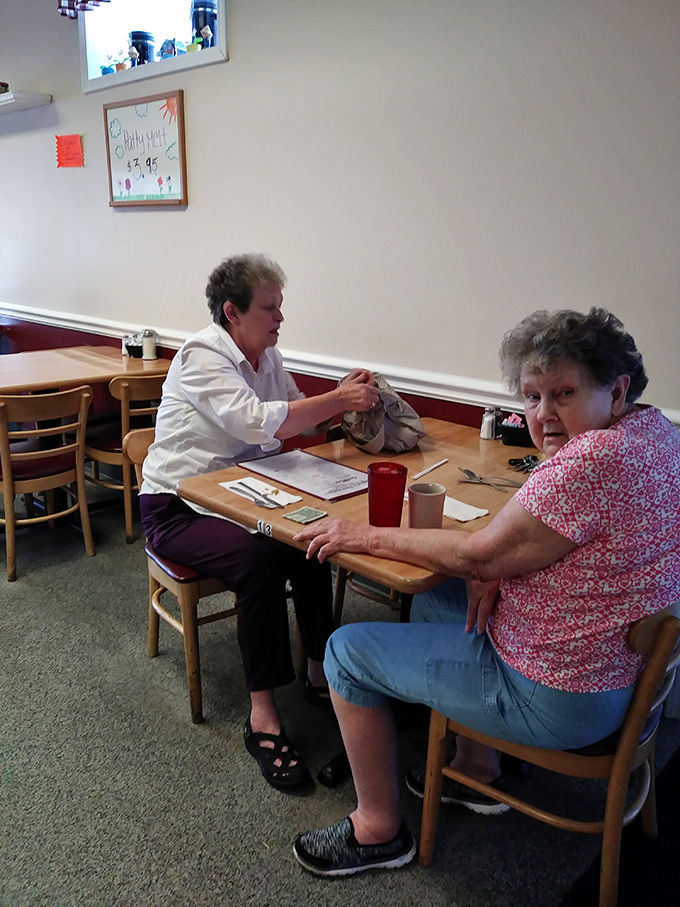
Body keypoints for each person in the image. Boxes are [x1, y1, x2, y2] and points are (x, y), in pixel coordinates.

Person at [291, 307, 680, 876]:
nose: (543, 416)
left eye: (564, 393)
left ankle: (378, 829)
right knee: (436, 597)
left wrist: (361, 534)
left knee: (346, 652)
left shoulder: (590, 461)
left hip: (560, 697)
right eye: (532, 396)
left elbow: (477, 552)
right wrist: (495, 564)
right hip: (619, 673)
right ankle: (477, 768)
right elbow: (529, 546)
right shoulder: (657, 433)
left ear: (616, 390)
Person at [139, 254, 379, 791]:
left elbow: (294, 409)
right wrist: (335, 400)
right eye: (270, 308)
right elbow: (254, 420)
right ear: (232, 311)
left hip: (245, 496)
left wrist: (342, 398)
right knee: (257, 560)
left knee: (310, 537)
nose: (279, 318)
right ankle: (262, 714)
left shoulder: (266, 355)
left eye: (279, 306)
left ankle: (319, 669)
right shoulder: (203, 355)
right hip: (176, 504)